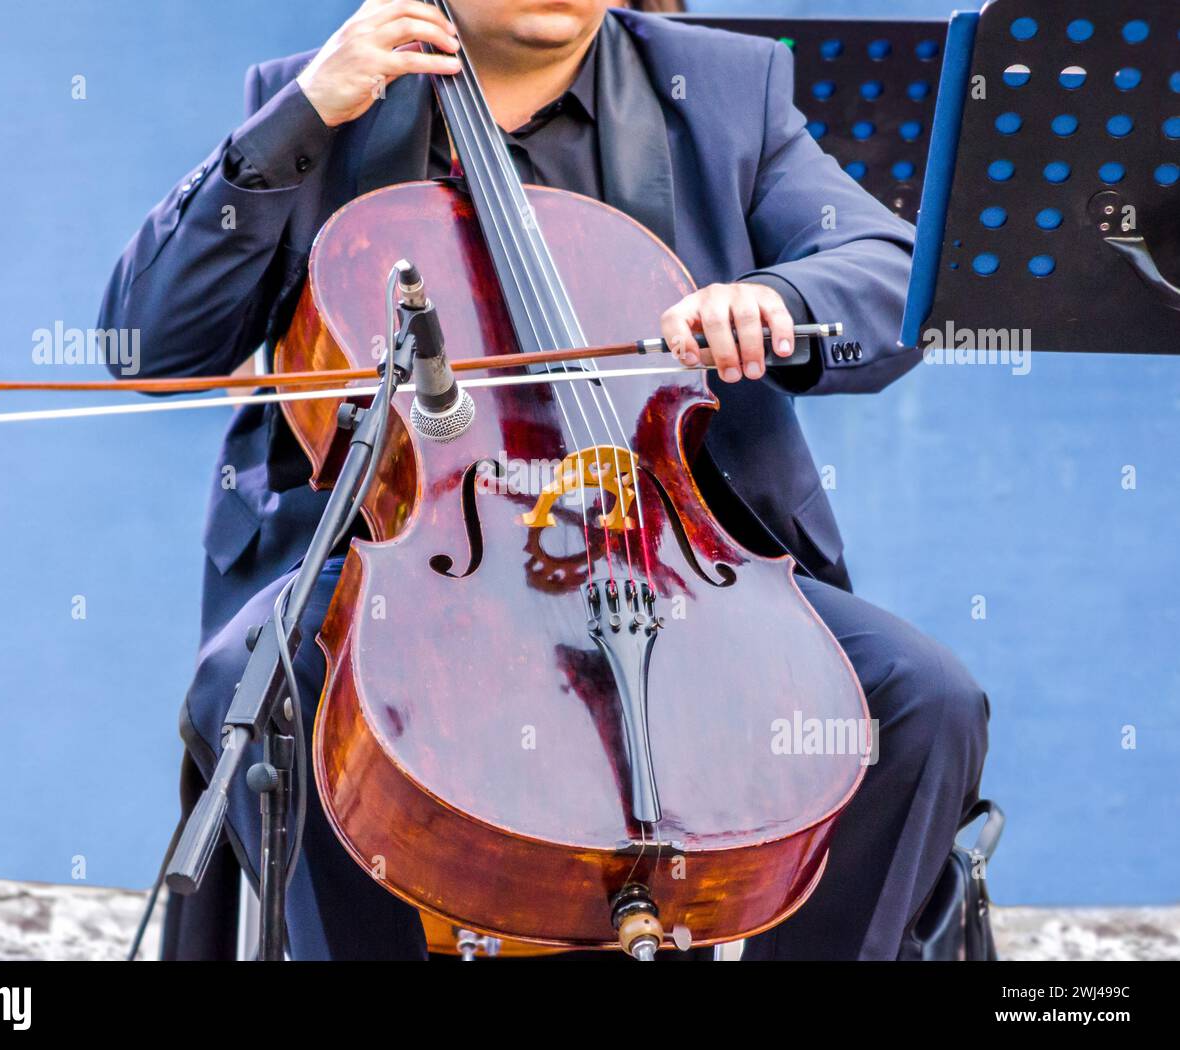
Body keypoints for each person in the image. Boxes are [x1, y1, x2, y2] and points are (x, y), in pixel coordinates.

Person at [99, 0, 988, 961]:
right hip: (411, 558)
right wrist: (298, 123)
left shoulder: (725, 89)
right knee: (268, 681)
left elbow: (890, 272)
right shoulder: (317, 97)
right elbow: (148, 340)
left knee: (922, 698)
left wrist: (779, 297)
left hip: (671, 556)